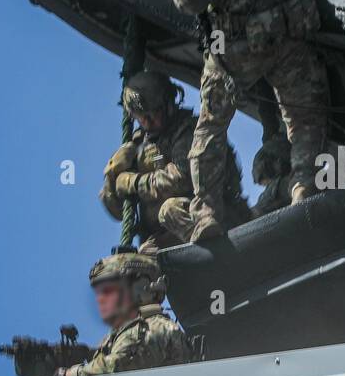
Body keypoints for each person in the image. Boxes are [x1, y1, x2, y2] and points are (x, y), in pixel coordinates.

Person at [137, 0, 328, 241]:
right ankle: (304, 186)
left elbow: (191, 1)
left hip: (239, 43)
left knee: (210, 128)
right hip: (287, 24)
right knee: (303, 113)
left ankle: (206, 214)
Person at [101, 70, 248, 247]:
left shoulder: (190, 130)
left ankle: (209, 245)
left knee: (170, 210)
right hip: (166, 238)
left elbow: (181, 178)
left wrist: (134, 183)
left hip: (216, 218)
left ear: (167, 104)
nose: (147, 123)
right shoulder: (139, 145)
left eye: (152, 114)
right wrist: (112, 176)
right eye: (141, 117)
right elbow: (118, 212)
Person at [57, 247, 190, 376]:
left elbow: (116, 368)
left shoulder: (152, 327)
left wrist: (70, 374)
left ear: (141, 286)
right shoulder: (129, 330)